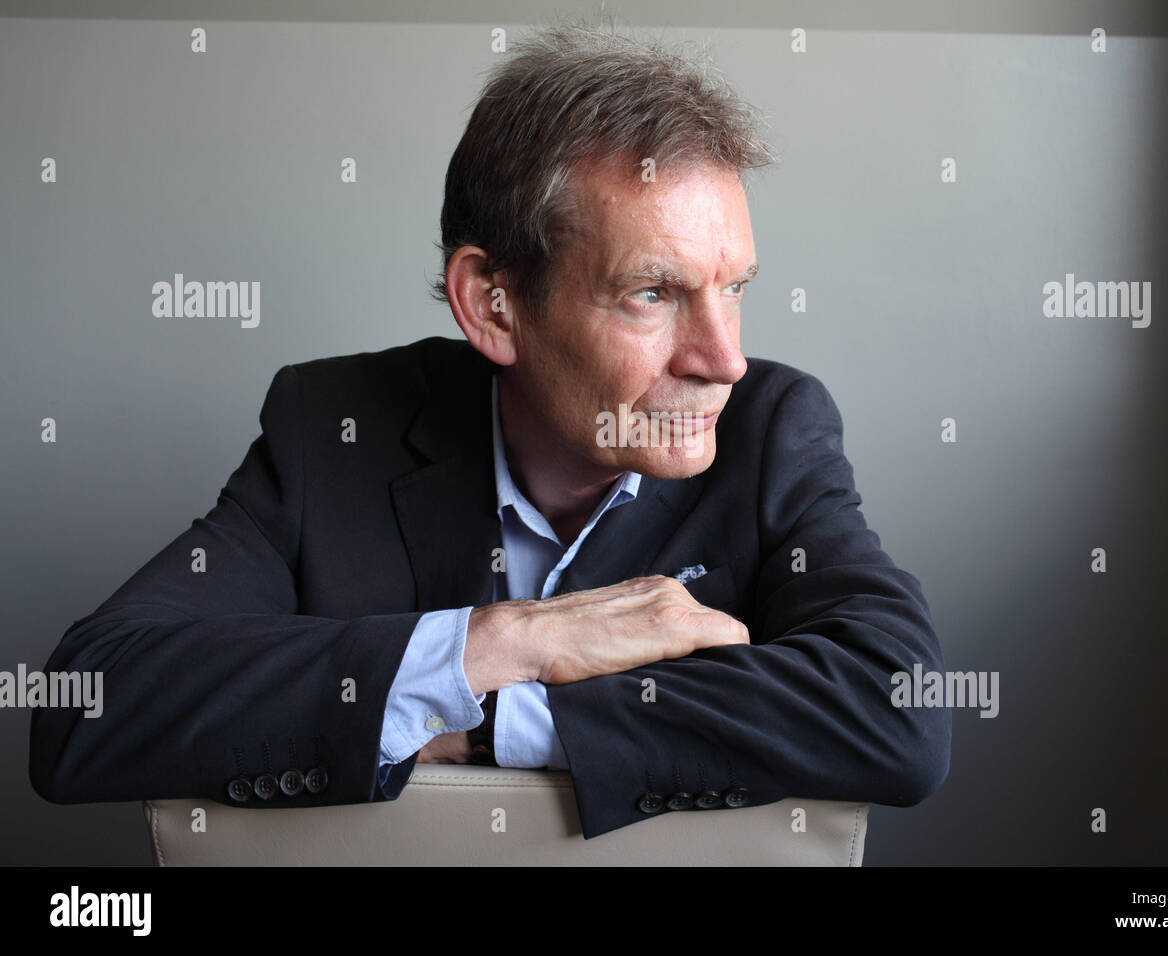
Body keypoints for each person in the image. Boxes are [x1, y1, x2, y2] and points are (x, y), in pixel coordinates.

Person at [29, 24, 950, 840]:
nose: (722, 360)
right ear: (493, 305)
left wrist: (486, 718)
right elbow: (89, 703)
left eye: (735, 288)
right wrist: (503, 642)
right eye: (652, 294)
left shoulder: (772, 431)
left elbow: (898, 712)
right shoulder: (332, 431)